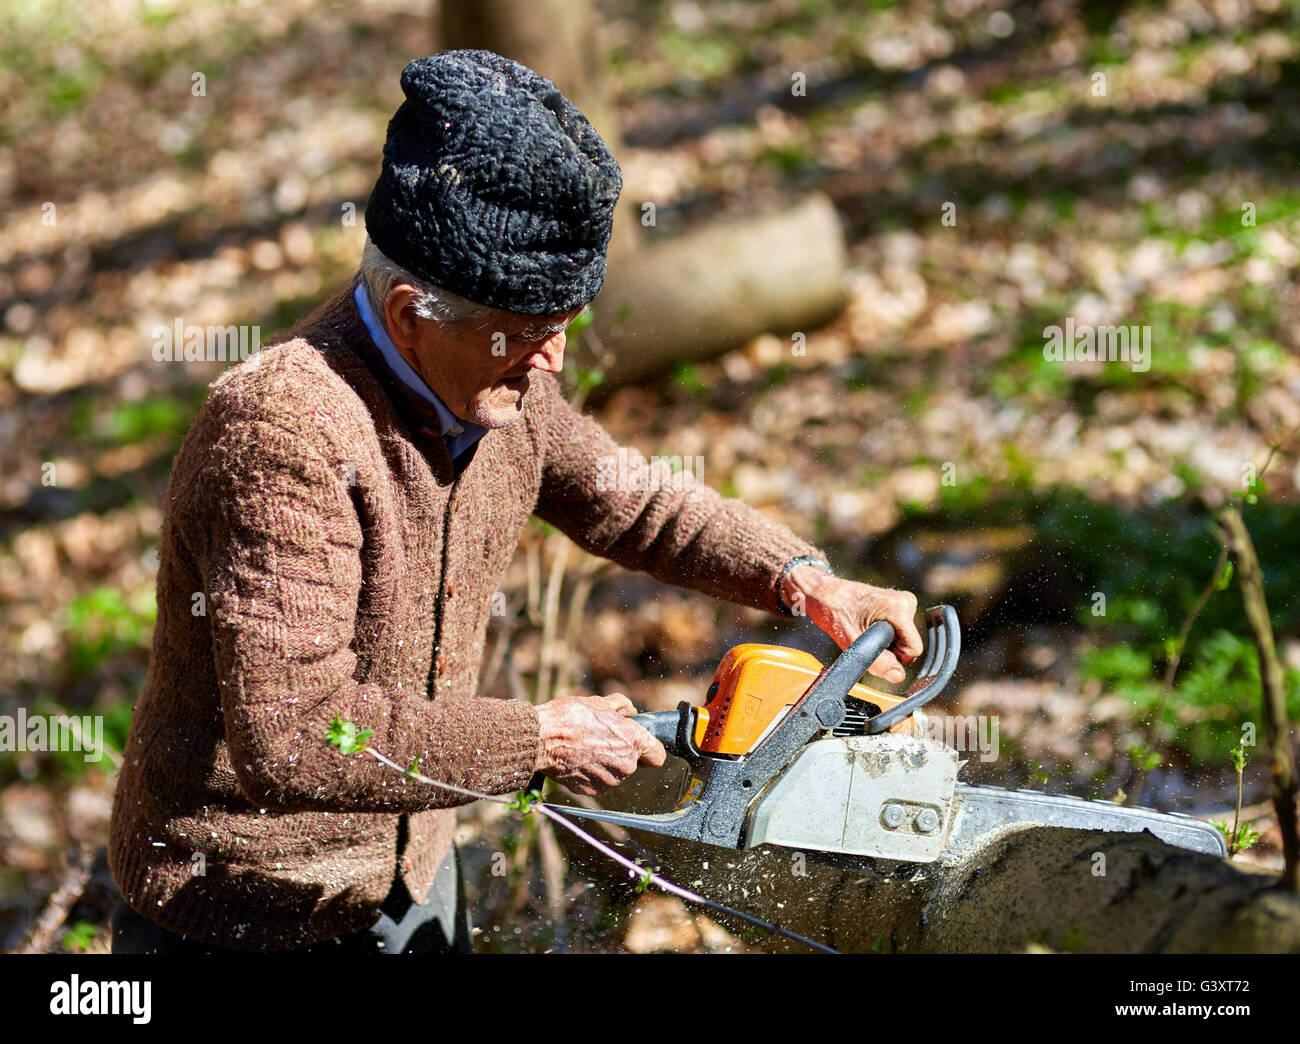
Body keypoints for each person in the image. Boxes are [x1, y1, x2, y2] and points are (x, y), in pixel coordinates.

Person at [108, 49, 923, 953]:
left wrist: (805, 582)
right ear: (413, 314)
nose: (555, 365)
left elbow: (635, 502)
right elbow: (296, 734)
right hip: (244, 914)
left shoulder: (502, 379)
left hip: (409, 879)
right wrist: (536, 741)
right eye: (529, 337)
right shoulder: (281, 437)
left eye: (564, 331)